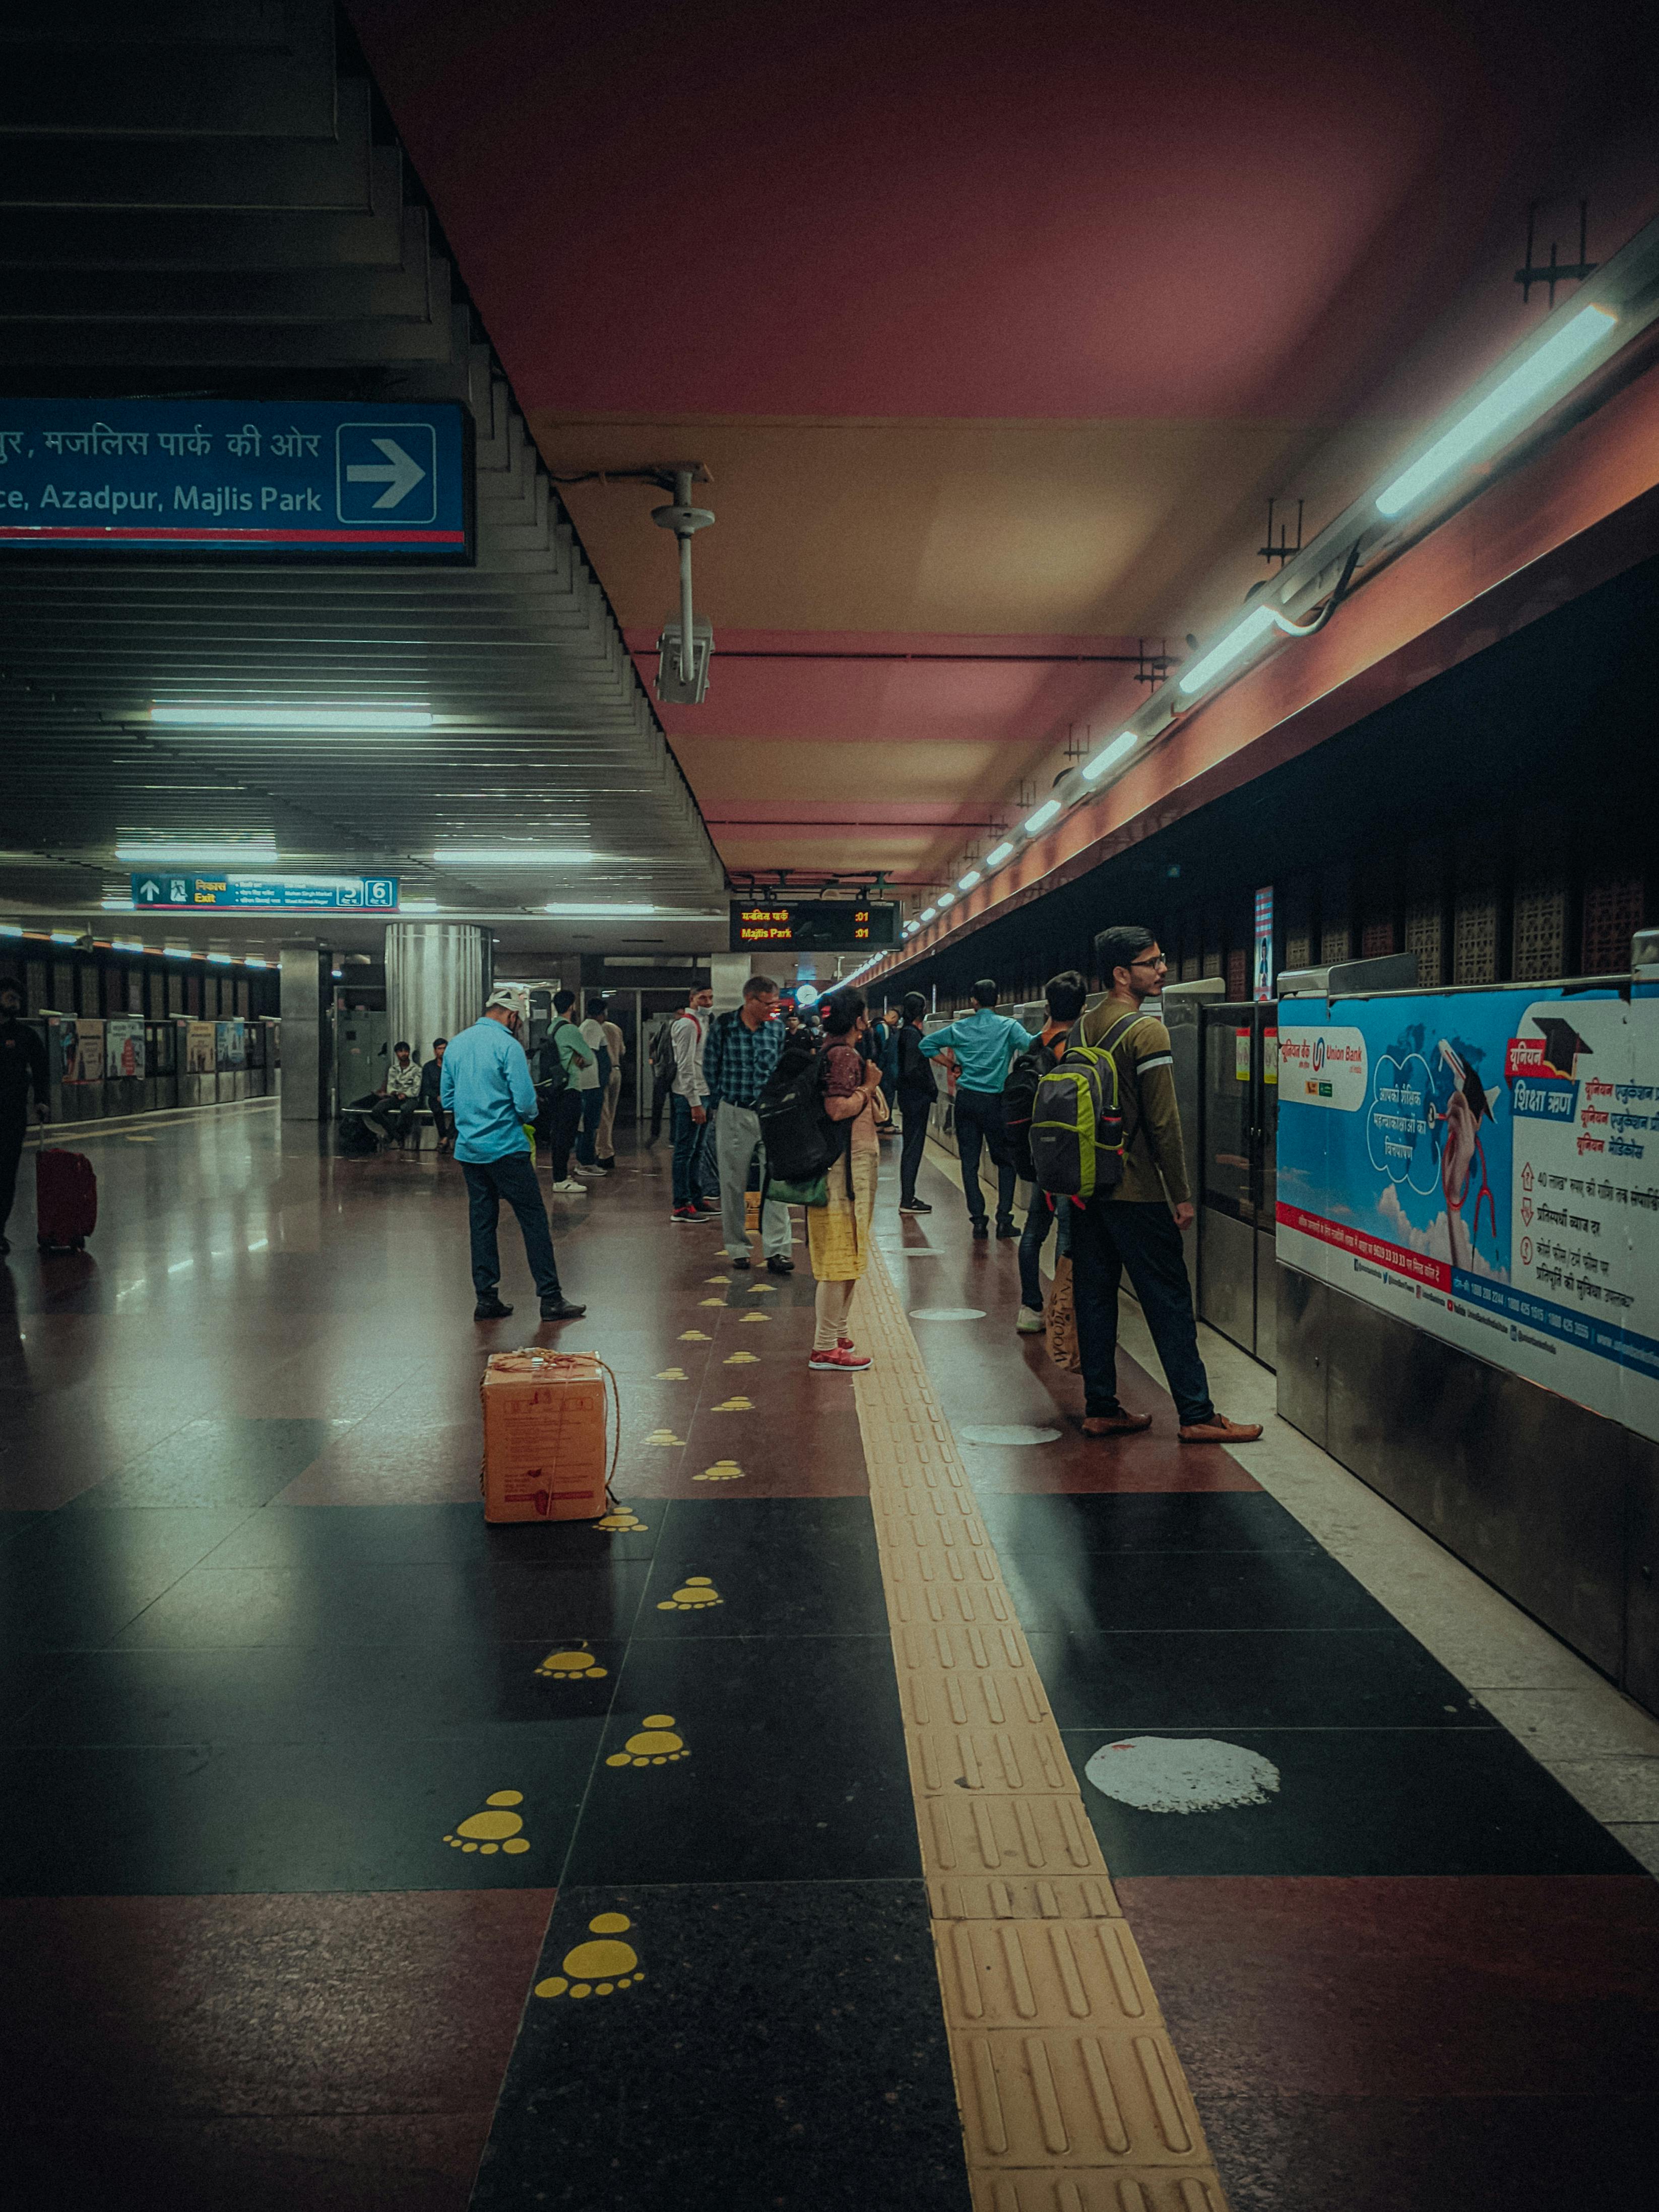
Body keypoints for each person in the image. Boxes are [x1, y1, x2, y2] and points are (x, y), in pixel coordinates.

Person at [1069, 926, 1260, 1443]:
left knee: (1095, 1298)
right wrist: (1180, 1191)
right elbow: (1164, 1123)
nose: (1161, 970)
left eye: (1161, 959)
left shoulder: (1080, 1031)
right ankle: (1197, 1414)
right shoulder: (1144, 1032)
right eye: (1150, 962)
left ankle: (1100, 1406)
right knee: (1169, 1301)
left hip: (1087, 1189)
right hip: (1135, 1191)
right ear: (1120, 974)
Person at [439, 987, 587, 1323]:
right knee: (533, 1219)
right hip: (506, 1148)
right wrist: (523, 1113)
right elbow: (525, 1103)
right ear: (513, 1015)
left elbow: (447, 1099)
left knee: (482, 1221)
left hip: (470, 1152)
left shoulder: (457, 1043)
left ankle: (486, 1297)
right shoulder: (508, 1046)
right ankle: (550, 1298)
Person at [806, 988, 886, 1370]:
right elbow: (837, 1108)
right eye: (865, 1014)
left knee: (848, 1254)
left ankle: (836, 1333)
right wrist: (869, 1087)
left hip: (844, 1164)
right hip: (843, 1167)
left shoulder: (828, 1052)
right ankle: (824, 1347)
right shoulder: (843, 1056)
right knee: (837, 1256)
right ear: (857, 1020)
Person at [919, 978, 1030, 1238]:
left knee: (969, 1163)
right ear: (998, 1000)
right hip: (995, 1101)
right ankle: (1004, 1220)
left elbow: (926, 1045)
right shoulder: (1008, 1027)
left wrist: (951, 1065)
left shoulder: (960, 1028)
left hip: (967, 1100)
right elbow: (1030, 1044)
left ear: (974, 1002)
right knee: (1005, 1162)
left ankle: (979, 1221)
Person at [704, 973, 793, 1273]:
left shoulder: (777, 1030)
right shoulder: (724, 1027)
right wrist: (720, 1102)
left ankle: (778, 1250)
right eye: (768, 1003)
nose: (773, 1009)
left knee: (777, 1180)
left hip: (770, 1113)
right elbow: (710, 1066)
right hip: (734, 1110)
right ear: (749, 1000)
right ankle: (738, 1247)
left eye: (775, 1003)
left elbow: (781, 1068)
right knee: (732, 1181)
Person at [1015, 971, 1088, 1333]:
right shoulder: (1076, 1048)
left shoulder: (1033, 1044)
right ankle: (1063, 1309)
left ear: (1047, 1006)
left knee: (1033, 1230)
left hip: (1037, 1149)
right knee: (1066, 1232)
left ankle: (1030, 1307)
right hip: (1069, 1153)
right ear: (1085, 1007)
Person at [0, 979, 49, 1255]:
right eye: (10, 997)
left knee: (6, 1176)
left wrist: (42, 1100)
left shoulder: (25, 1036)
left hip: (11, 1116)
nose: (15, 1003)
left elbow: (41, 1069)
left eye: (17, 999)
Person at [669, 984, 719, 1221]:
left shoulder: (705, 1023)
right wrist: (694, 1102)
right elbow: (685, 1066)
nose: (708, 1002)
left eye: (710, 997)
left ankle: (696, 1199)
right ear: (692, 999)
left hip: (704, 1092)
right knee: (684, 1151)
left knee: (697, 1151)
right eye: (703, 998)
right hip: (690, 1096)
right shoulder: (687, 1025)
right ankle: (681, 1205)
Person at [541, 989, 593, 1195]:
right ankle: (561, 1179)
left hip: (555, 1087)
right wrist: (580, 1058)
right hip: (569, 1086)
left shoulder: (552, 1027)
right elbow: (589, 1057)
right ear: (572, 1006)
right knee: (566, 1134)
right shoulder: (570, 1030)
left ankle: (561, 1175)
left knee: (559, 1133)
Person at [895, 991, 936, 1215]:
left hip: (909, 1097)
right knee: (913, 1147)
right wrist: (929, 1087)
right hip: (915, 1098)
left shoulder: (906, 1033)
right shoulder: (912, 1035)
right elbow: (912, 1068)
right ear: (921, 1010)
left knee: (912, 1146)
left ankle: (908, 1196)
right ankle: (908, 1198)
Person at [569, 993, 607, 1179]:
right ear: (601, 1013)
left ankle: (586, 1160)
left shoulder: (585, 1026)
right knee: (590, 1125)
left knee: (588, 1125)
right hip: (591, 1084)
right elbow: (587, 1054)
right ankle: (586, 1162)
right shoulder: (593, 1026)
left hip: (590, 1083)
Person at [593, 1000, 625, 1170]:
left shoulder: (594, 1029)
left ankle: (604, 1152)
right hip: (617, 1070)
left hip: (602, 1072)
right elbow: (622, 1051)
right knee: (610, 1115)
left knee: (603, 1115)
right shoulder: (615, 1028)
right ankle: (605, 1149)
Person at [372, 1041, 422, 1148]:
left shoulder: (417, 1069)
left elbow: (416, 1089)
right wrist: (395, 1093)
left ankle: (394, 1135)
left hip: (411, 1098)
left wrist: (405, 1094)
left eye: (406, 1051)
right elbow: (390, 1086)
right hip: (396, 1097)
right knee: (377, 1110)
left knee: (406, 1109)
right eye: (400, 1052)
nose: (403, 1054)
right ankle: (396, 1134)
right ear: (396, 1053)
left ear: (409, 1053)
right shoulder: (393, 1069)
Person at [419, 1038, 452, 1153]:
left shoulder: (452, 1066)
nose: (442, 1051)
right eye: (440, 1049)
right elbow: (426, 1087)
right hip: (435, 1097)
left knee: (461, 1110)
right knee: (437, 1110)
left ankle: (445, 1139)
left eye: (445, 1048)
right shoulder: (429, 1067)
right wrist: (437, 1097)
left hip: (450, 1096)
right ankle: (445, 1137)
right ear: (435, 1051)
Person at [876, 1006, 901, 1134]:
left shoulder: (877, 1025)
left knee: (881, 1096)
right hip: (887, 1070)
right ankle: (886, 1123)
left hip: (882, 1069)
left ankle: (880, 1122)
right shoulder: (884, 1028)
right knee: (887, 1096)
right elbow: (883, 1051)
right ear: (893, 1017)